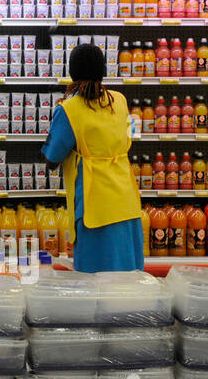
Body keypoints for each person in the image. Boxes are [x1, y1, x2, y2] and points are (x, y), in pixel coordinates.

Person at [42, 43, 144, 272]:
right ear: (103, 72)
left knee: (96, 283)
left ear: (71, 73)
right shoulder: (120, 101)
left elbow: (51, 161)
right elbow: (130, 137)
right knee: (129, 279)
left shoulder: (69, 109)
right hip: (127, 201)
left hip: (95, 208)